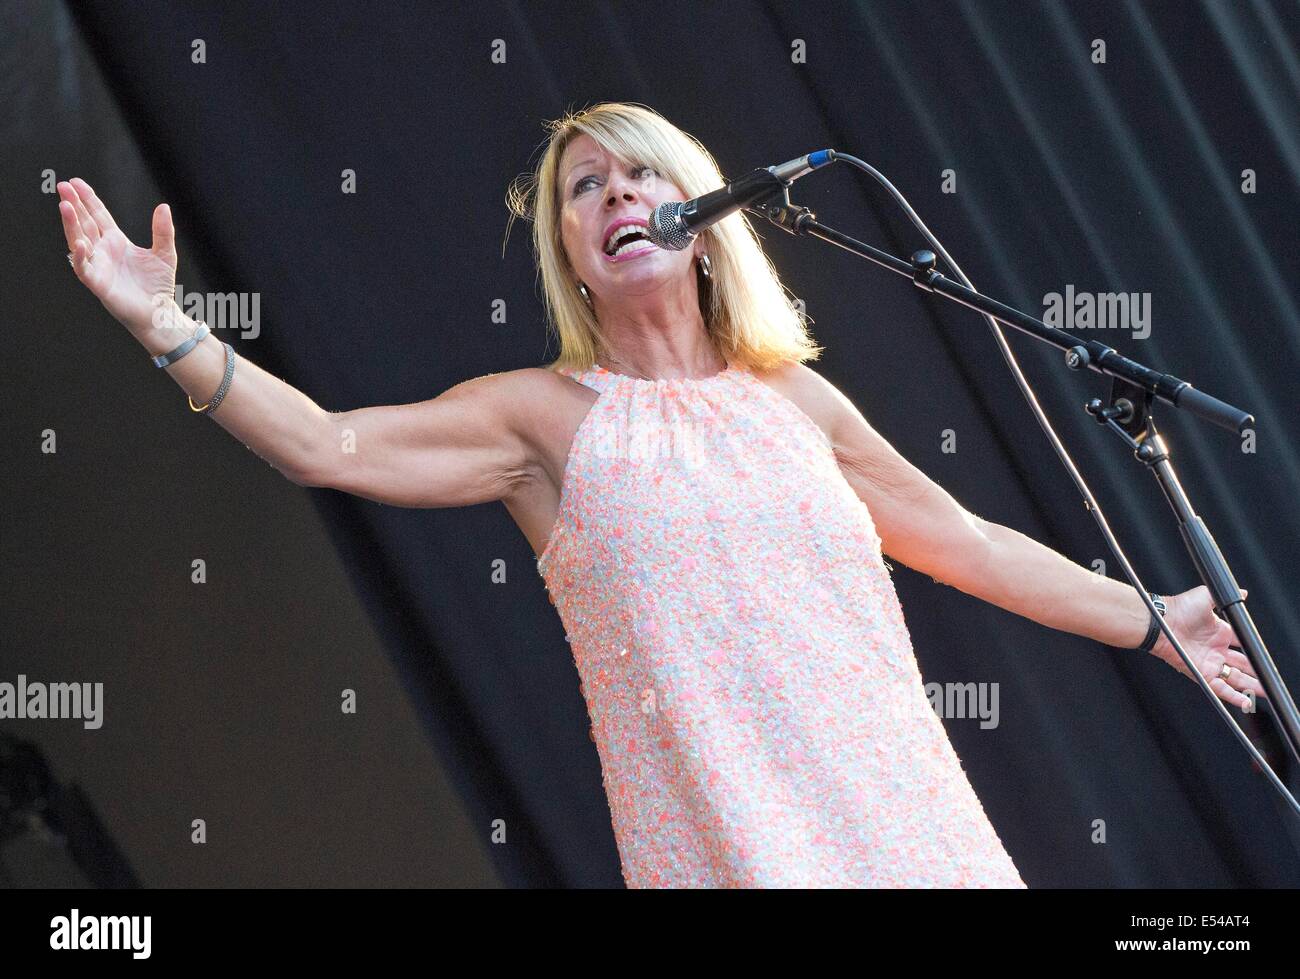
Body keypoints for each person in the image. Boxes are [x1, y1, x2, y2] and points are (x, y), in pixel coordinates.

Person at [56, 101, 1258, 888]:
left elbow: (965, 541)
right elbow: (326, 445)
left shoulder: (797, 404)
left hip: (911, 836)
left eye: (641, 176)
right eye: (586, 189)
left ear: (701, 215)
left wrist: (1152, 618)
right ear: (570, 248)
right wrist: (166, 326)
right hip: (729, 852)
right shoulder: (541, 420)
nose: (618, 198)